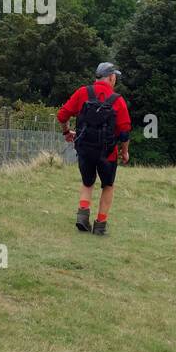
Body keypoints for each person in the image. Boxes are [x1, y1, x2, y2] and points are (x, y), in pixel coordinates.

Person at [57, 62, 131, 236]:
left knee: (87, 182)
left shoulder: (83, 92)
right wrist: (124, 151)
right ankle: (100, 224)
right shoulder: (117, 100)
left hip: (85, 149)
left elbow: (62, 115)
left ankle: (82, 216)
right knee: (108, 186)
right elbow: (125, 130)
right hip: (108, 153)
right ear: (112, 78)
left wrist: (67, 132)